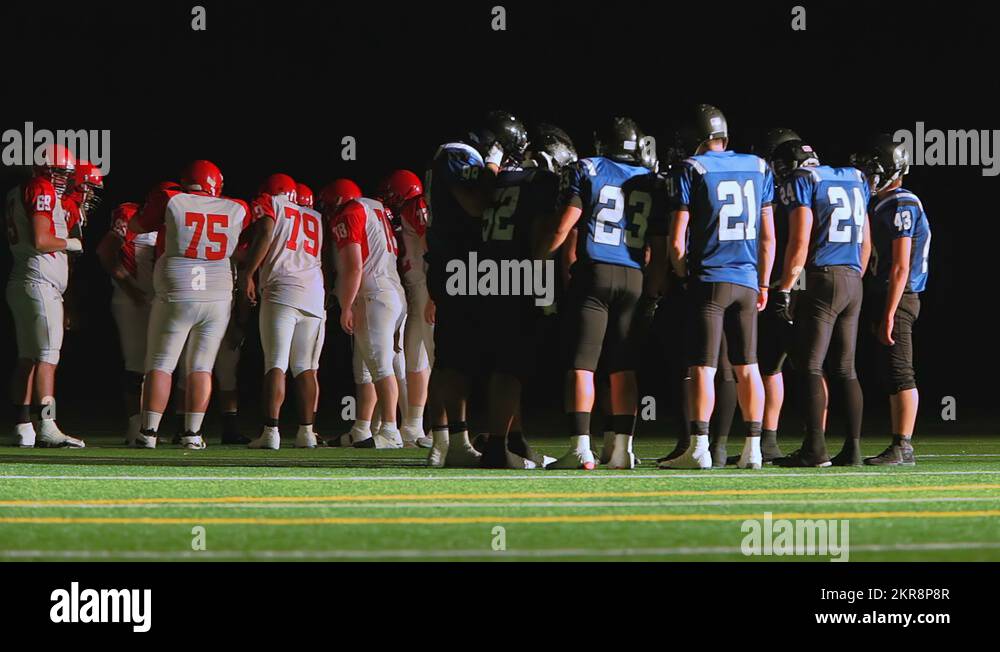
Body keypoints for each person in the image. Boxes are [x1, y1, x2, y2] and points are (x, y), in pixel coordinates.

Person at [537, 117, 665, 470]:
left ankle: (581, 448)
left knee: (582, 365)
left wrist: (537, 257)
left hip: (596, 273)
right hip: (634, 277)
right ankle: (621, 449)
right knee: (623, 368)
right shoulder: (649, 180)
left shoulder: (588, 168)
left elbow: (567, 224)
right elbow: (659, 246)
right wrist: (654, 290)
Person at [661, 104, 775, 470]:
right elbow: (769, 238)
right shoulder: (758, 167)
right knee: (749, 366)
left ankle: (698, 448)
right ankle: (753, 449)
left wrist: (680, 274)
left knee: (703, 367)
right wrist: (764, 283)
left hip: (710, 279)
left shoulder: (691, 169)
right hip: (746, 280)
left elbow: (677, 242)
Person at [424, 110, 527, 467]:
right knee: (454, 356)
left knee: (467, 355)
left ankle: (466, 441)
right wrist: (493, 167)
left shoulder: (458, 155)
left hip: (468, 266)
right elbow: (475, 203)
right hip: (457, 266)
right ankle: (452, 441)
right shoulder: (457, 153)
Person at [129, 160, 252, 449]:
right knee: (202, 366)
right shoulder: (238, 207)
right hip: (217, 287)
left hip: (179, 282)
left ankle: (148, 433)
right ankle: (193, 434)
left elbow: (136, 225)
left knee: (160, 362)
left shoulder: (172, 198)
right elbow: (244, 242)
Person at [769, 140, 871, 467]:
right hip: (853, 278)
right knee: (845, 369)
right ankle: (853, 449)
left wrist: (786, 287)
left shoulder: (804, 180)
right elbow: (866, 244)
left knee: (810, 365)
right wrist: (852, 278)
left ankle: (815, 449)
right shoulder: (854, 177)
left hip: (823, 277)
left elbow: (800, 242)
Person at [853, 135, 931, 466]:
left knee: (900, 372)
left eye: (873, 170)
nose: (868, 177)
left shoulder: (903, 202)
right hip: (888, 293)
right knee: (889, 372)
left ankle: (903, 445)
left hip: (899, 295)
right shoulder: (885, 202)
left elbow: (901, 264)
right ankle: (900, 443)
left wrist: (888, 312)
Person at [5, 144, 85, 448]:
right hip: (39, 282)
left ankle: (22, 425)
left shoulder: (18, 190)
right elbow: (41, 240)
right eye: (60, 172)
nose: (64, 179)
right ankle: (48, 425)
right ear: (45, 170)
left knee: (27, 358)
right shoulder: (41, 188)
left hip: (23, 279)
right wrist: (70, 243)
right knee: (48, 358)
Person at [239, 173, 327, 450]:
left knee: (275, 363)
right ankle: (307, 433)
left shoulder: (271, 203)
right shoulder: (314, 216)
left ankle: (271, 432)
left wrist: (248, 273)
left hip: (282, 290)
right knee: (306, 367)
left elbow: (265, 233)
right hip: (313, 293)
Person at [330, 182, 406, 449]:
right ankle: (362, 427)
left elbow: (354, 267)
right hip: (391, 291)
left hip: (373, 295)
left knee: (380, 365)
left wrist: (346, 305)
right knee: (365, 368)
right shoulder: (375, 209)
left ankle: (390, 430)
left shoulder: (350, 212)